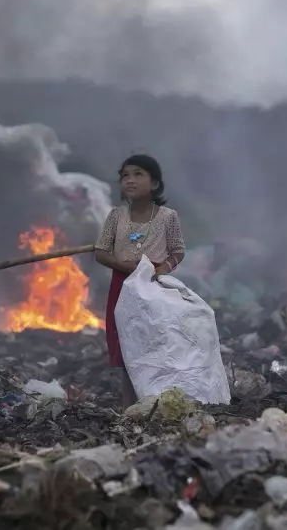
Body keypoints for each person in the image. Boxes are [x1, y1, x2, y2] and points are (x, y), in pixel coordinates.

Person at [94, 155, 185, 407]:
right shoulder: (115, 216)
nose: (130, 180)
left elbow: (178, 251)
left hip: (153, 286)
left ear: (154, 183)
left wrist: (163, 268)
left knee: (153, 341)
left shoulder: (168, 217)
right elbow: (101, 252)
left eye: (137, 174)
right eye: (125, 176)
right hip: (122, 287)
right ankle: (129, 405)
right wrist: (123, 265)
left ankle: (155, 401)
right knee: (126, 346)